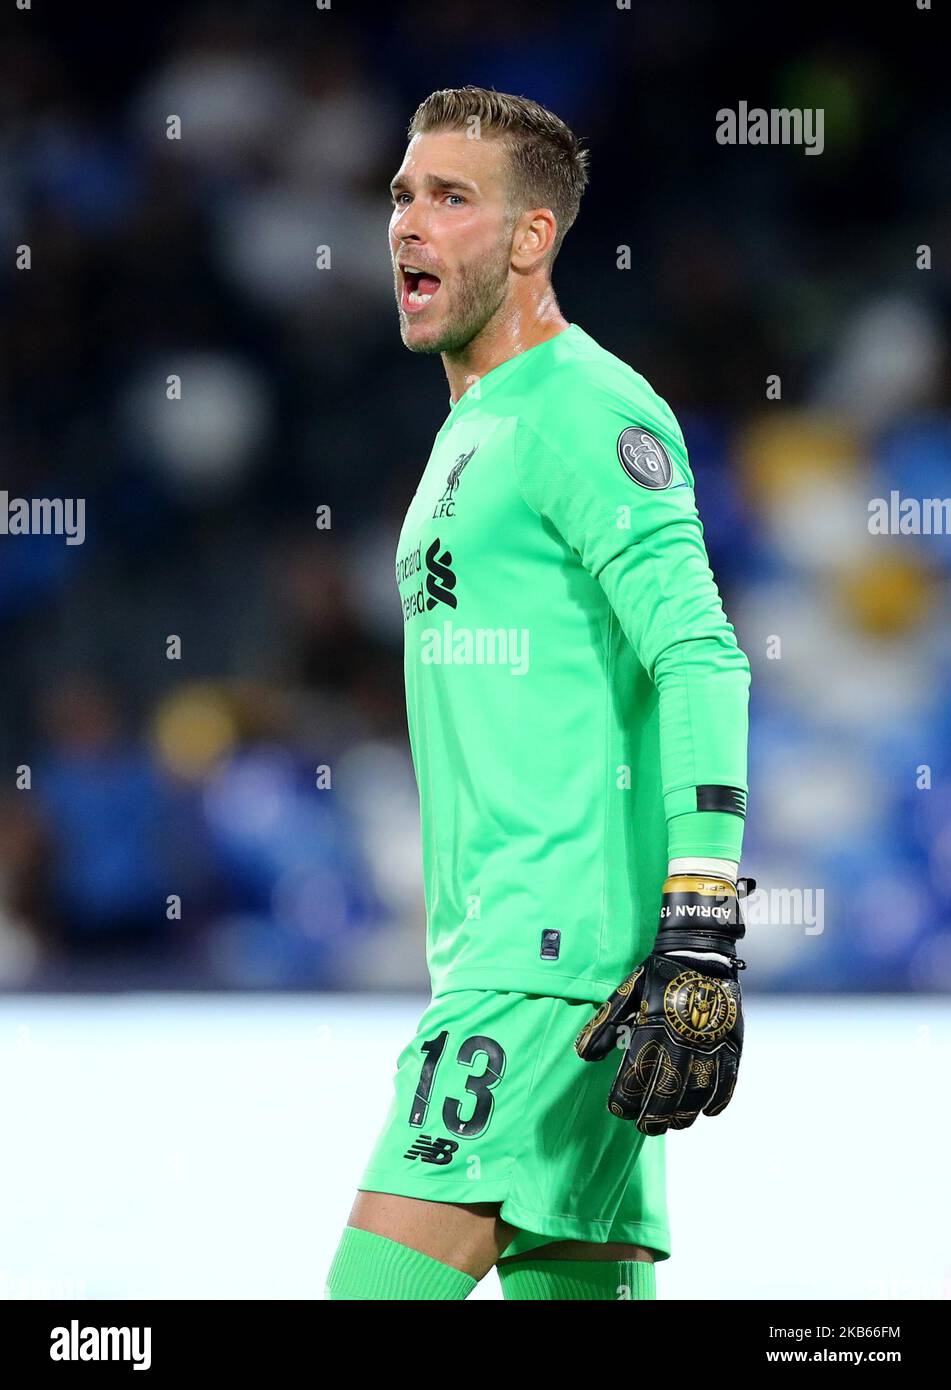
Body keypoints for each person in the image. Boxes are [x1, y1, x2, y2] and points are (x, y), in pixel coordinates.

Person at [326, 85, 751, 1301]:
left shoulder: (583, 406)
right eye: (402, 195)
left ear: (530, 239)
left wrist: (702, 922)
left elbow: (702, 653)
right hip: (563, 970)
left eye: (450, 198)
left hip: (546, 962)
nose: (408, 224)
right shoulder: (477, 420)